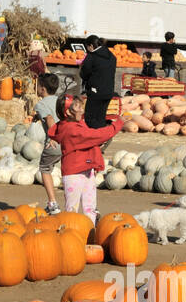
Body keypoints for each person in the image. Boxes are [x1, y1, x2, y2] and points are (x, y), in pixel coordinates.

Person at [48, 93, 122, 223]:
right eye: (78, 107)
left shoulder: (76, 125)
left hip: (87, 170)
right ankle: (71, 235)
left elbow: (89, 143)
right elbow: (95, 136)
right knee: (72, 209)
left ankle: (90, 233)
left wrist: (95, 162)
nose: (82, 110)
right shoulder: (73, 130)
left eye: (81, 106)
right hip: (74, 174)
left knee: (90, 207)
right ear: (69, 113)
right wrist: (117, 125)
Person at [33, 72, 63, 215]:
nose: (36, 88)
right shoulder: (60, 101)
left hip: (54, 143)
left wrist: (52, 137)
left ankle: (53, 204)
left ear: (43, 89)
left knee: (45, 169)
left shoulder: (41, 104)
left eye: (38, 86)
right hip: (68, 141)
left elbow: (50, 119)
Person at [78, 34, 117, 129]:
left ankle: (94, 139)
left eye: (87, 47)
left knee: (90, 118)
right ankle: (102, 138)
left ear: (91, 46)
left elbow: (84, 74)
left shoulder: (91, 56)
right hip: (108, 91)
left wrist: (81, 68)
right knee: (101, 117)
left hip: (95, 92)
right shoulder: (111, 56)